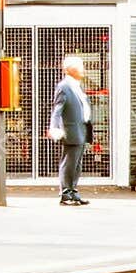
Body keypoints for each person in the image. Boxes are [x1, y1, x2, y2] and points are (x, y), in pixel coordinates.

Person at [49, 53, 92, 205]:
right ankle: (66, 193)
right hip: (72, 130)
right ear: (70, 69)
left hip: (80, 129)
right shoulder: (64, 87)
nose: (83, 70)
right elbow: (57, 109)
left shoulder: (75, 86)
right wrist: (54, 127)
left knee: (77, 163)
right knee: (69, 162)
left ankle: (73, 191)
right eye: (80, 67)